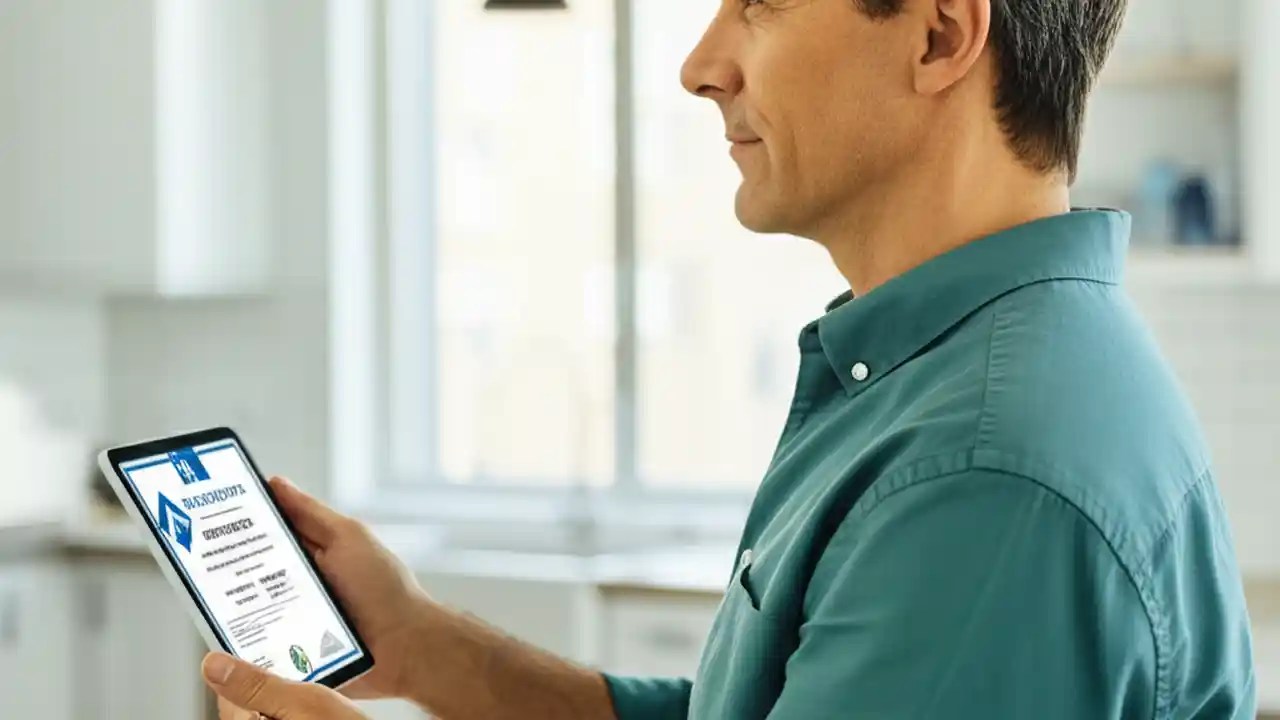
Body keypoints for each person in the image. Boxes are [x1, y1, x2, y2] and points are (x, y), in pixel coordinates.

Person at [203, 0, 1256, 717]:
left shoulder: (984, 475)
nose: (700, 66)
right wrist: (432, 648)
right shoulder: (956, 379)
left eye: (759, 1)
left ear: (937, 35)